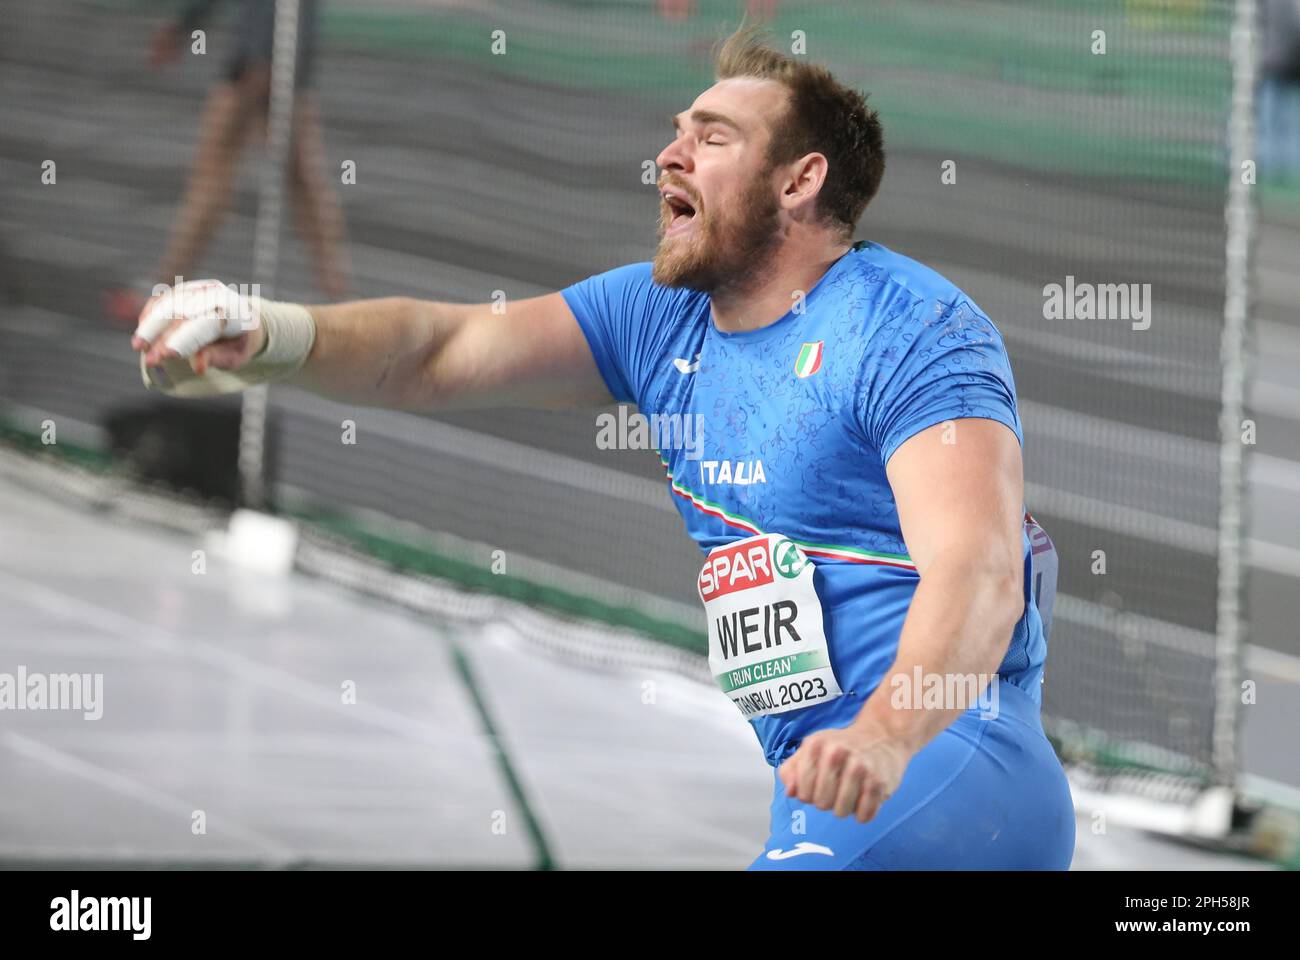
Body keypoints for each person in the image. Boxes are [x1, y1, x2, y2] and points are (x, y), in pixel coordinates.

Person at [130, 26, 1075, 870]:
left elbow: (980, 571)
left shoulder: (910, 329)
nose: (669, 154)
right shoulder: (654, 315)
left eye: (712, 139)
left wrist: (886, 733)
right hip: (832, 784)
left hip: (953, 768)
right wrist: (271, 334)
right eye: (677, 130)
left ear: (800, 180)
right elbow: (442, 348)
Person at [105, 0, 347, 326]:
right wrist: (184, 26)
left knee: (221, 177)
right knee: (298, 182)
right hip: (269, 63)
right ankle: (339, 296)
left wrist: (258, 64)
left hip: (257, 65)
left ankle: (162, 290)